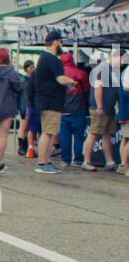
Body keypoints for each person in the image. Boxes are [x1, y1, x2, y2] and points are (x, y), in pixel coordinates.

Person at [33, 30, 74, 174]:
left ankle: (47, 161)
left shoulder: (43, 58)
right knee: (48, 132)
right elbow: (61, 79)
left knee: (50, 132)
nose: (61, 45)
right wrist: (72, 81)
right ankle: (42, 163)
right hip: (51, 101)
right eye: (61, 42)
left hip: (47, 100)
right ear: (56, 41)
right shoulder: (52, 59)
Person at [82, 46, 121, 172]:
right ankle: (86, 161)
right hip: (100, 109)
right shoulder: (104, 69)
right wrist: (99, 106)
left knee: (107, 135)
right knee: (93, 133)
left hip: (109, 109)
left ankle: (110, 161)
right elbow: (98, 87)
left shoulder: (113, 71)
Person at [58, 50, 89, 168]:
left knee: (64, 137)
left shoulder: (58, 74)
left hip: (62, 111)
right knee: (79, 137)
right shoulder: (80, 73)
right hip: (78, 110)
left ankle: (65, 160)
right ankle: (78, 160)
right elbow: (86, 89)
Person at [18, 59, 38, 155]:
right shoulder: (23, 80)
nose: (33, 69)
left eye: (34, 67)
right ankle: (21, 146)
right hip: (24, 106)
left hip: (32, 106)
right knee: (23, 128)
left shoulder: (35, 79)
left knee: (31, 128)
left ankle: (27, 147)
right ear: (26, 69)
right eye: (31, 67)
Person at [117, 54, 129, 177]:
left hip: (124, 110)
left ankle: (123, 164)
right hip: (127, 110)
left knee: (125, 138)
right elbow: (126, 87)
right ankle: (123, 166)